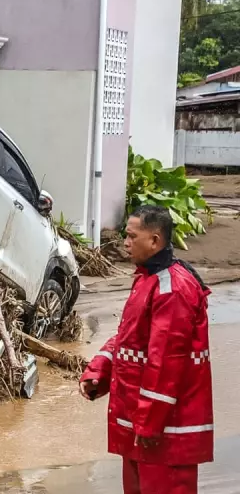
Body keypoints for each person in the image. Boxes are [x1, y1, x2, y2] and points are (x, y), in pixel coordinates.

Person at [79, 205, 213, 494]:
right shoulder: (147, 280)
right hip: (145, 428)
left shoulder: (172, 289)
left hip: (164, 433)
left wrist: (150, 425)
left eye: (131, 237)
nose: (125, 244)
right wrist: (99, 371)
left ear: (154, 240)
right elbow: (129, 338)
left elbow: (166, 363)